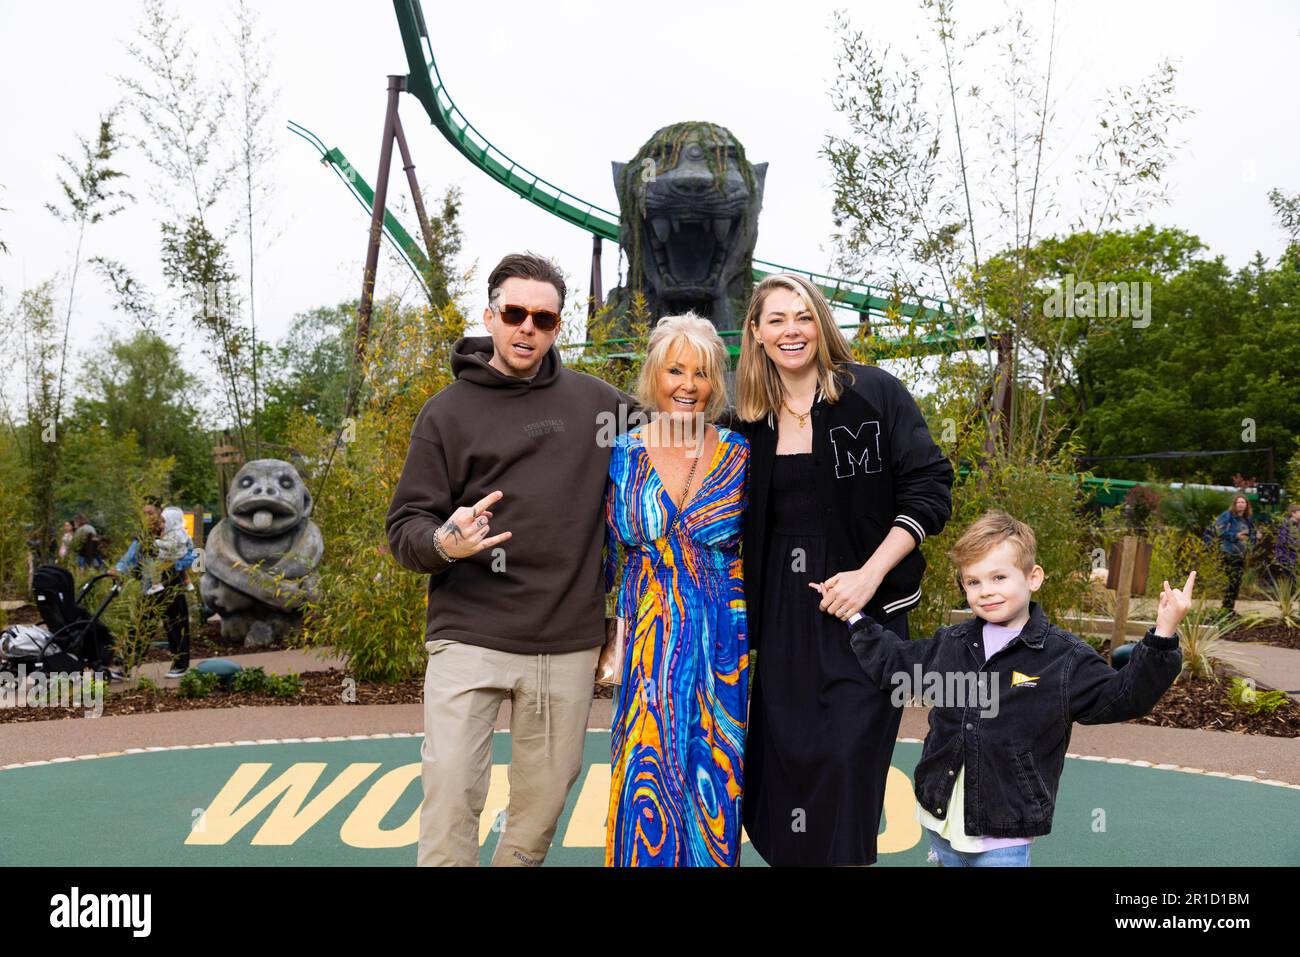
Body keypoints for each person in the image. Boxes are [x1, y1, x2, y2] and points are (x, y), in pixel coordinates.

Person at [386, 252, 635, 867]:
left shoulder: (598, 405)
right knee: (449, 795)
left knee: (541, 808)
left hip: (564, 641)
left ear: (558, 326)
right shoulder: (446, 413)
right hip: (469, 633)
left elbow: (693, 430)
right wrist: (448, 542)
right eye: (515, 313)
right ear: (490, 315)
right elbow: (404, 529)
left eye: (544, 318)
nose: (528, 328)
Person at [728, 273, 954, 866]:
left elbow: (929, 489)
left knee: (849, 759)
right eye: (775, 319)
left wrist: (870, 575)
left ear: (822, 323)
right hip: (780, 615)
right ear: (755, 333)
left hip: (867, 614)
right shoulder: (746, 422)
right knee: (785, 763)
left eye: (802, 316)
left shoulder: (875, 394)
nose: (791, 330)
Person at [845, 510, 1190, 867]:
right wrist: (854, 616)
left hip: (1003, 833)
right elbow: (895, 662)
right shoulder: (952, 643)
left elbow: (1124, 697)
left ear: (1033, 577)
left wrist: (1162, 635)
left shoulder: (1063, 658)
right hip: (942, 820)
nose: (986, 591)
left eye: (998, 577)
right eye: (973, 582)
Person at [603, 313, 749, 867]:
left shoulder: (741, 454)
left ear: (716, 384)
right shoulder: (619, 455)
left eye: (702, 373)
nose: (688, 384)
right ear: (653, 377)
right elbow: (594, 551)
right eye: (675, 370)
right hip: (647, 643)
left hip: (721, 647)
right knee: (645, 778)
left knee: (714, 783)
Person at [110, 498, 196, 677]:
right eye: (144, 513)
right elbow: (131, 555)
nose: (147, 517)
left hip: (172, 584)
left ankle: (180, 665)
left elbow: (193, 555)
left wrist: (174, 565)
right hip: (150, 586)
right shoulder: (145, 536)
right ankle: (126, 665)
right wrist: (119, 569)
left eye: (150, 513)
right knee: (141, 625)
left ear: (160, 514)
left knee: (175, 624)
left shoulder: (176, 534)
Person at [1214, 495, 1255, 616]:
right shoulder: (1227, 515)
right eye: (1239, 502)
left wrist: (1254, 537)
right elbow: (1218, 530)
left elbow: (1251, 534)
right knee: (1232, 581)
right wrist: (1235, 535)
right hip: (1229, 552)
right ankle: (1226, 610)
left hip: (1241, 553)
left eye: (1243, 502)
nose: (1241, 504)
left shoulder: (1247, 519)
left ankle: (1229, 609)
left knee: (1237, 582)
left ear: (1247, 505)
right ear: (1235, 504)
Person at [1272, 504, 1300, 584]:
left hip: (1295, 559)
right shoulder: (1286, 525)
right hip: (1288, 559)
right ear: (1293, 513)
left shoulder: (1297, 525)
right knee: (1292, 583)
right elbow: (1283, 542)